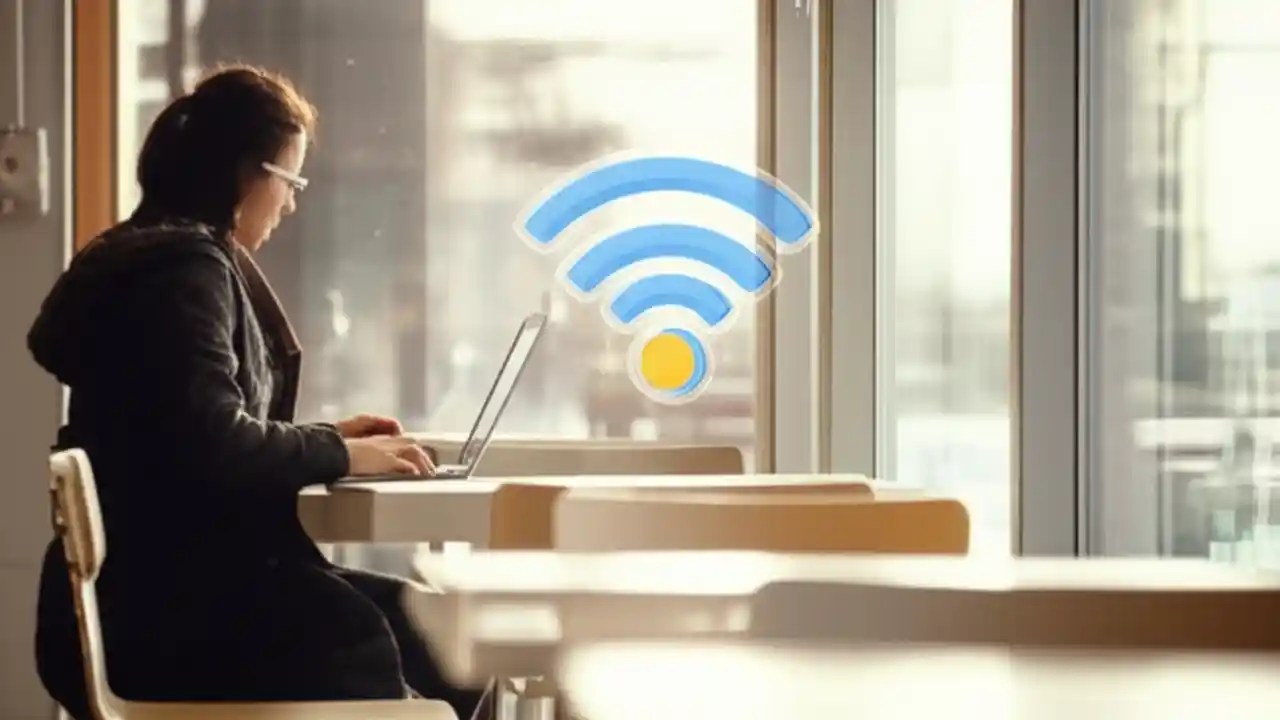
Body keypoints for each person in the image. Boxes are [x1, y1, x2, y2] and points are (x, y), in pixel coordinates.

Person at [29, 64, 483, 719]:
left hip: (146, 592)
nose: (293, 202)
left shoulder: (143, 254)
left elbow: (191, 428)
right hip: (163, 616)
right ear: (246, 175)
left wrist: (327, 440)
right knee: (372, 636)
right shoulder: (183, 271)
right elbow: (215, 441)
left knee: (434, 631)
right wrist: (338, 453)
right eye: (290, 180)